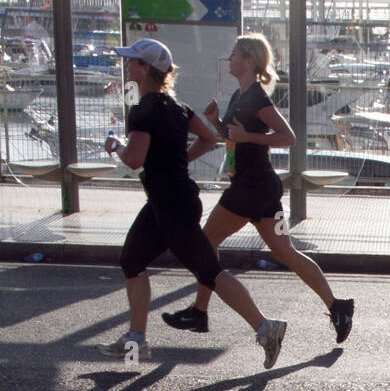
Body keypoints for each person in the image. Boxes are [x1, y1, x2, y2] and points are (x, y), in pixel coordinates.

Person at [102, 38, 286, 369]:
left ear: (146, 70)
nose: (128, 67)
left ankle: (265, 327)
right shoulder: (177, 107)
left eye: (133, 62)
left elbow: (134, 160)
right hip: (168, 202)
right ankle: (137, 340)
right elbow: (210, 137)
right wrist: (182, 161)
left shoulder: (143, 110)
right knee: (131, 260)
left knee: (209, 272)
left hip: (171, 206)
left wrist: (116, 144)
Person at [162, 34, 354, 345]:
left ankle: (200, 311)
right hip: (260, 188)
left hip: (251, 187)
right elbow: (238, 137)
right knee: (285, 252)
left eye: (234, 54)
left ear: (249, 61)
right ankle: (337, 306)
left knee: (205, 241)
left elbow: (287, 137)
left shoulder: (258, 99)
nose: (229, 59)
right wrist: (220, 126)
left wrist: (247, 136)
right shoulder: (242, 96)